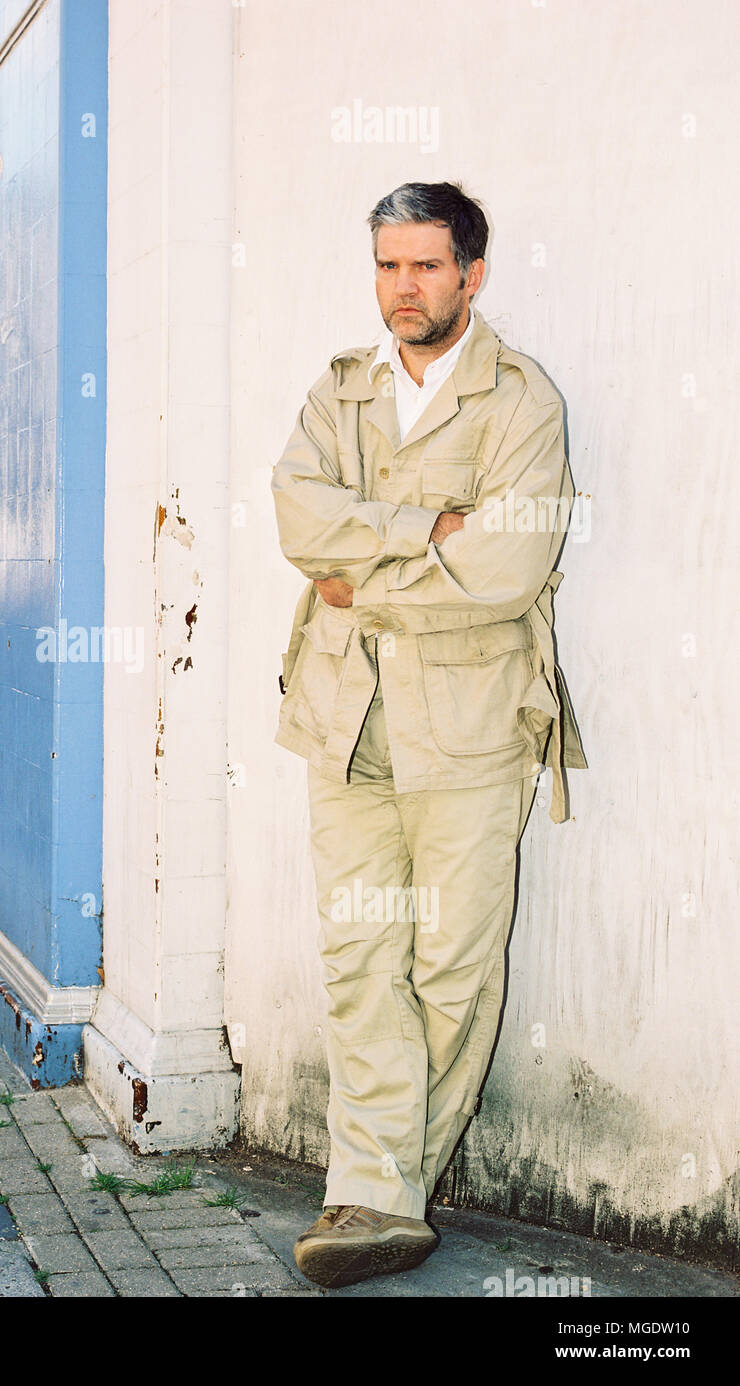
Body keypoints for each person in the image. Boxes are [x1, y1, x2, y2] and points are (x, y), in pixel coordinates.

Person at [270, 181, 586, 1289]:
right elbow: (296, 516)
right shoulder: (340, 391)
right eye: (385, 266)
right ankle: (369, 1197)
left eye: (423, 267)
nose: (401, 289)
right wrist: (418, 532)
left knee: (451, 966)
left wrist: (368, 579)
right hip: (344, 716)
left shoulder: (522, 405)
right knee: (362, 957)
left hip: (466, 729)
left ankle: (387, 1191)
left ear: (471, 274)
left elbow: (504, 569)